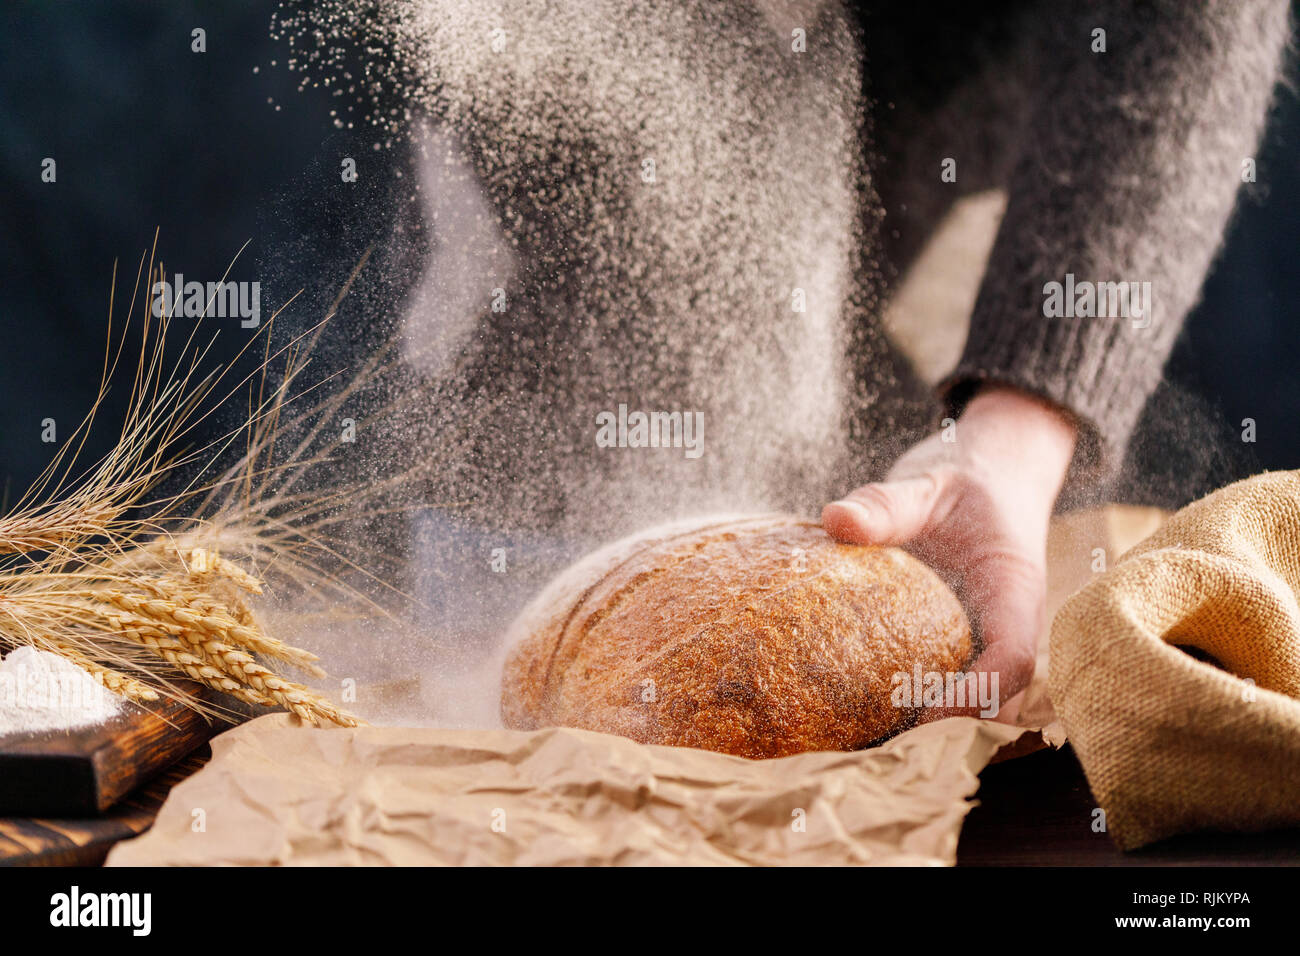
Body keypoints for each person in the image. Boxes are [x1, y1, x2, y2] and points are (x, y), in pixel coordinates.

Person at [372, 0, 1289, 718]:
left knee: (889, 671)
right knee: (494, 707)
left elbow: (1177, 17)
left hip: (945, 255)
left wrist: (1007, 442)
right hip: (520, 307)